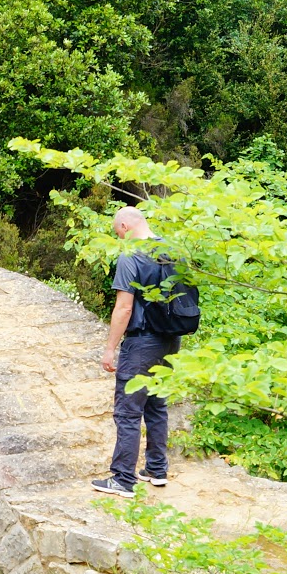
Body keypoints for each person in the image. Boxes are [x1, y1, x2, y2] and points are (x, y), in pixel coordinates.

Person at [91, 205, 179, 498]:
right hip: (170, 340)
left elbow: (124, 307)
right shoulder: (171, 250)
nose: (120, 239)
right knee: (156, 404)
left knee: (128, 412)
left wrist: (109, 348)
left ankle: (123, 479)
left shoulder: (130, 255)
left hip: (141, 341)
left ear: (125, 227)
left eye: (118, 233)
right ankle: (156, 470)